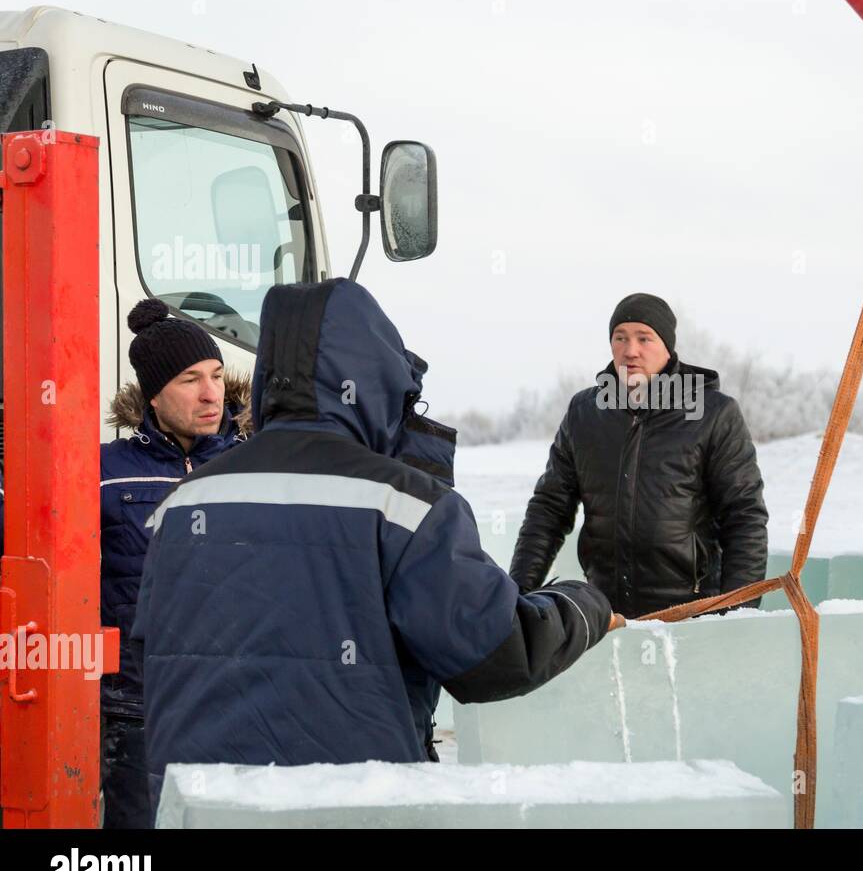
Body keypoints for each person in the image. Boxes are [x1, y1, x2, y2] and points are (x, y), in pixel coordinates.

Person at [134, 279, 616, 816]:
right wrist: (584, 602)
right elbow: (499, 653)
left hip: (199, 814)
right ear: (379, 380)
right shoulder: (403, 505)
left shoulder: (182, 504)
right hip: (352, 811)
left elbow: (157, 659)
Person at [510, 293, 769, 619]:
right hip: (607, 617)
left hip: (693, 615)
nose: (630, 350)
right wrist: (517, 594)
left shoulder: (713, 413)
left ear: (667, 346)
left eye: (644, 338)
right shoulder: (584, 412)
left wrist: (736, 615)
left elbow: (744, 518)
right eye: (620, 338)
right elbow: (548, 511)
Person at [99, 298, 249, 828]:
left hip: (238, 704)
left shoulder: (255, 465)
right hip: (136, 713)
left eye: (214, 375)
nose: (212, 394)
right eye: (190, 380)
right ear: (154, 397)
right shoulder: (103, 472)